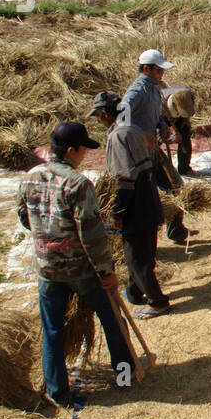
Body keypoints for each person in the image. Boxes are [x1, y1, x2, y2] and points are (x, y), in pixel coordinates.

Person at [16, 121, 133, 409]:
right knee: (113, 320)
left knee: (52, 330)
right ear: (71, 150)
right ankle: (124, 377)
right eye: (83, 150)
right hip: (81, 270)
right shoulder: (78, 184)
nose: (84, 155)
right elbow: (92, 235)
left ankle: (57, 393)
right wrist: (107, 272)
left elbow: (23, 217)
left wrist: (46, 233)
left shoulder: (30, 177)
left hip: (47, 268)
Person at [89, 92, 171, 319]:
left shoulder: (118, 136)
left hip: (136, 203)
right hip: (149, 196)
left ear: (105, 114)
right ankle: (135, 293)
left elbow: (125, 179)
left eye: (98, 116)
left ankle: (158, 302)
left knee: (136, 258)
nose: (98, 120)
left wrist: (117, 211)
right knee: (145, 251)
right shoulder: (134, 129)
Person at [119, 49, 193, 243]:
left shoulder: (154, 88)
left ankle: (175, 229)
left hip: (153, 150)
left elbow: (156, 113)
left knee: (176, 186)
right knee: (144, 197)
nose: (162, 74)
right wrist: (143, 135)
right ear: (146, 69)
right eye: (159, 70)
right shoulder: (136, 92)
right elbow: (122, 119)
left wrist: (162, 125)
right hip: (139, 153)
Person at [161, 85, 197, 176]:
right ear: (174, 105)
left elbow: (188, 105)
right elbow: (156, 131)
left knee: (185, 135)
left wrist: (186, 118)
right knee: (156, 142)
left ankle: (184, 168)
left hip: (178, 114)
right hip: (162, 118)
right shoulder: (157, 104)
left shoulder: (189, 94)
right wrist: (172, 137)